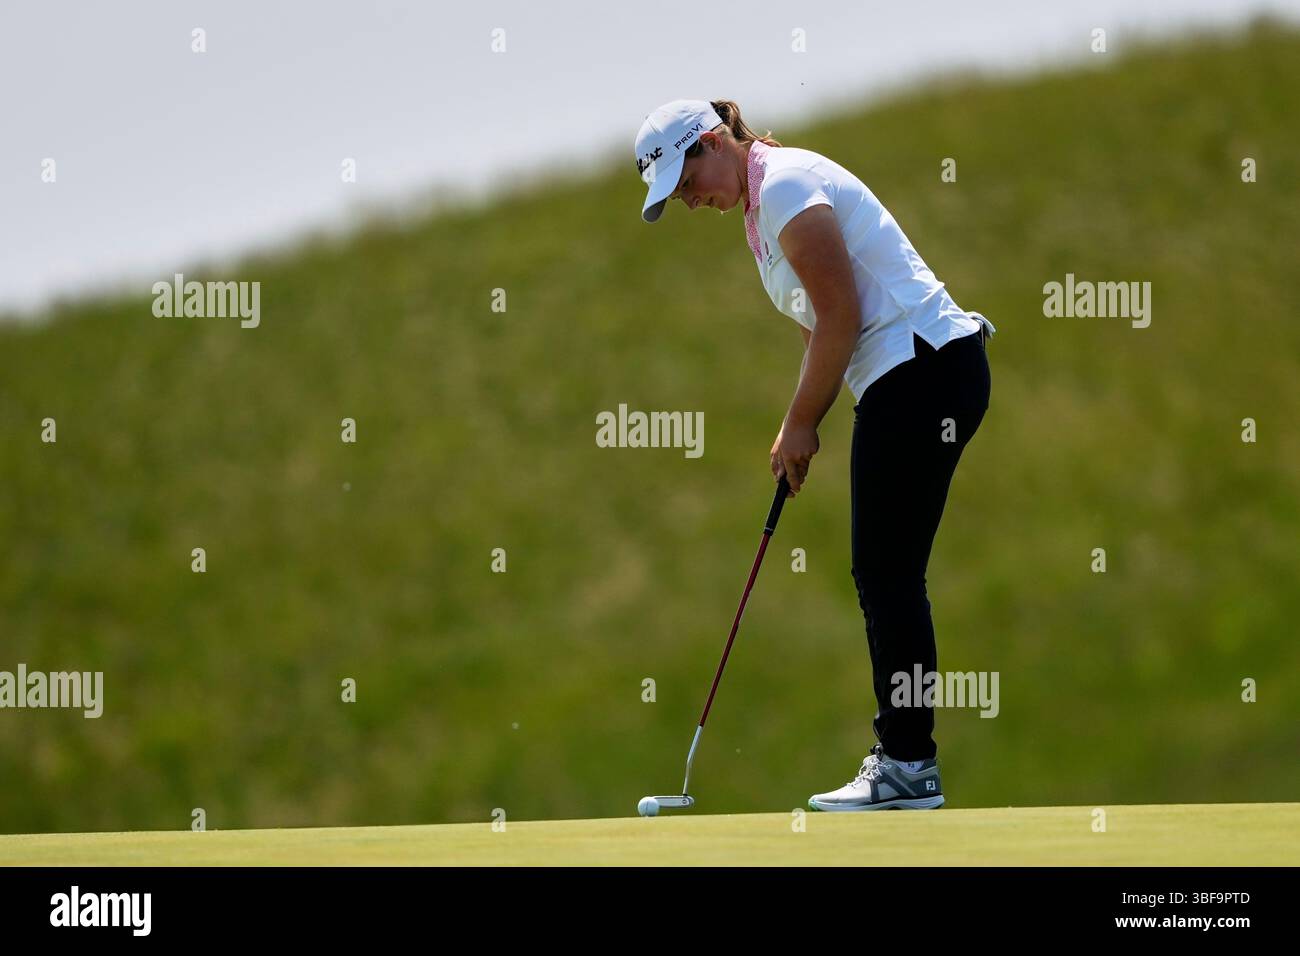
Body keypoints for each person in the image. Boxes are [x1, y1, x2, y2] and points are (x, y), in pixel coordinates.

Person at [634, 98, 994, 811]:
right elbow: (817, 322)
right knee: (887, 572)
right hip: (909, 375)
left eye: (687, 179)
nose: (689, 199)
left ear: (711, 140)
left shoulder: (789, 185)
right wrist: (800, 422)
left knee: (886, 573)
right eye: (675, 194)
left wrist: (803, 421)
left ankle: (907, 765)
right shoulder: (761, 209)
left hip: (922, 366)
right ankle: (906, 762)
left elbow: (843, 315)